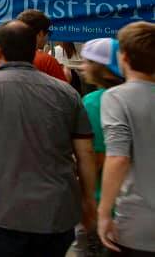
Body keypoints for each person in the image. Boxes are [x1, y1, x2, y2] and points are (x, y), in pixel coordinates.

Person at [0, 20, 97, 256]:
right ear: (35, 48)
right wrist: (89, 200)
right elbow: (85, 153)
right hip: (54, 215)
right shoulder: (67, 93)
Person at [97, 22, 155, 256]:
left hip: (136, 220)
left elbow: (118, 158)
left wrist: (103, 212)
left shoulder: (117, 98)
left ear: (125, 57)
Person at [75, 37, 124, 255]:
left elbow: (95, 158)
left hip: (101, 206)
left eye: (88, 61)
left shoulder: (95, 102)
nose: (82, 67)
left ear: (102, 67)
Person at [16, 9, 71, 82]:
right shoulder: (48, 61)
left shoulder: (1, 59)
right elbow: (61, 91)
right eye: (48, 32)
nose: (48, 37)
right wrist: (67, 77)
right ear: (41, 33)